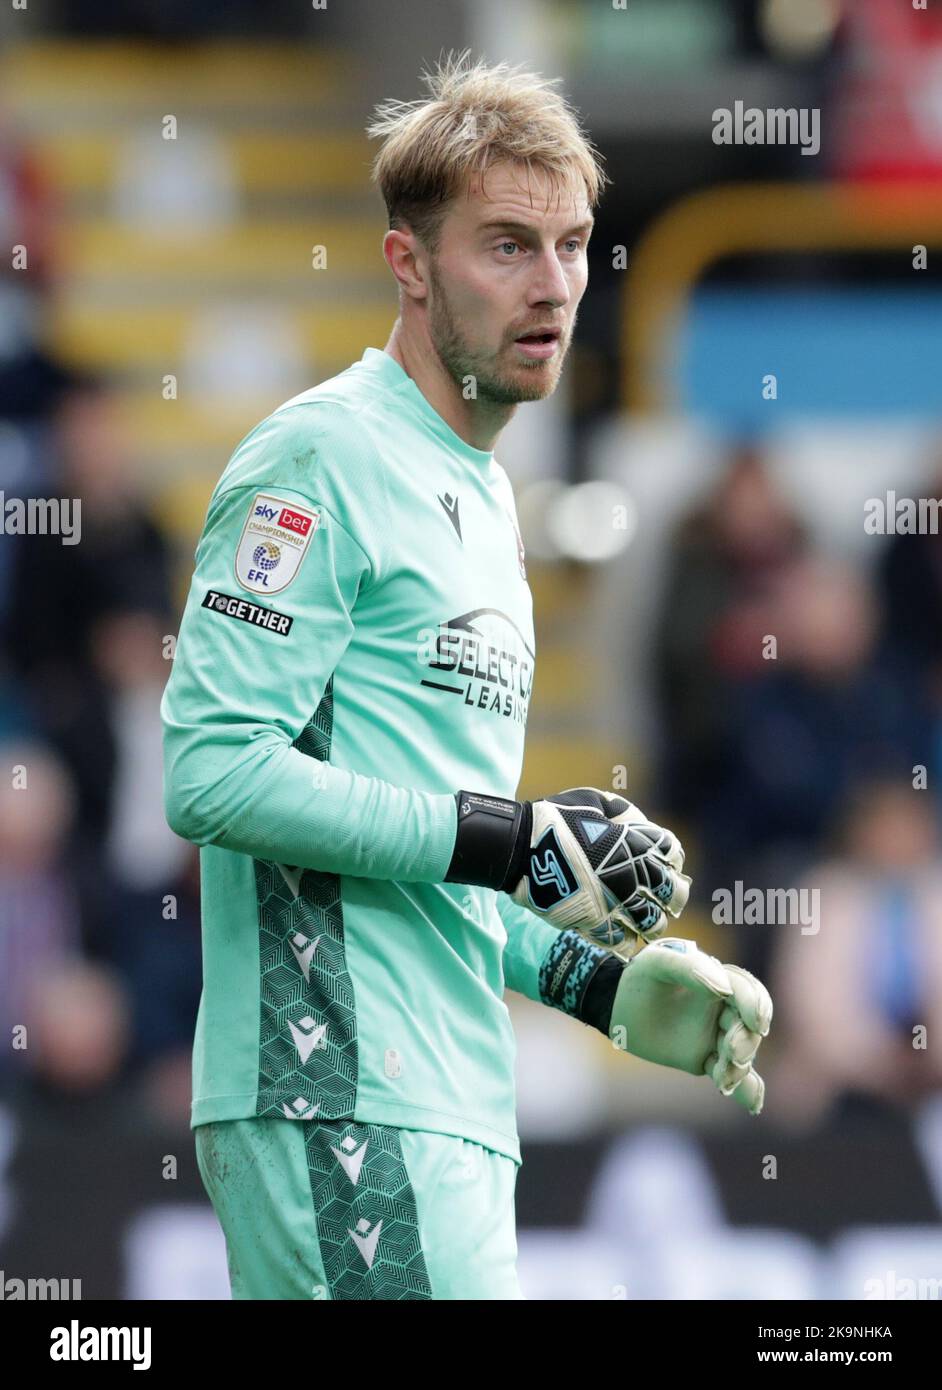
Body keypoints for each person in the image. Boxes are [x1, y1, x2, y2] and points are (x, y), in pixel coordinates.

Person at [161, 52, 771, 1301]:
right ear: (409, 263)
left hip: (447, 1105)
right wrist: (511, 833)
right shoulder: (322, 456)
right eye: (506, 246)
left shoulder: (492, 502)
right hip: (334, 1086)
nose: (553, 288)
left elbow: (442, 858)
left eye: (573, 246)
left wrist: (595, 985)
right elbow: (213, 772)